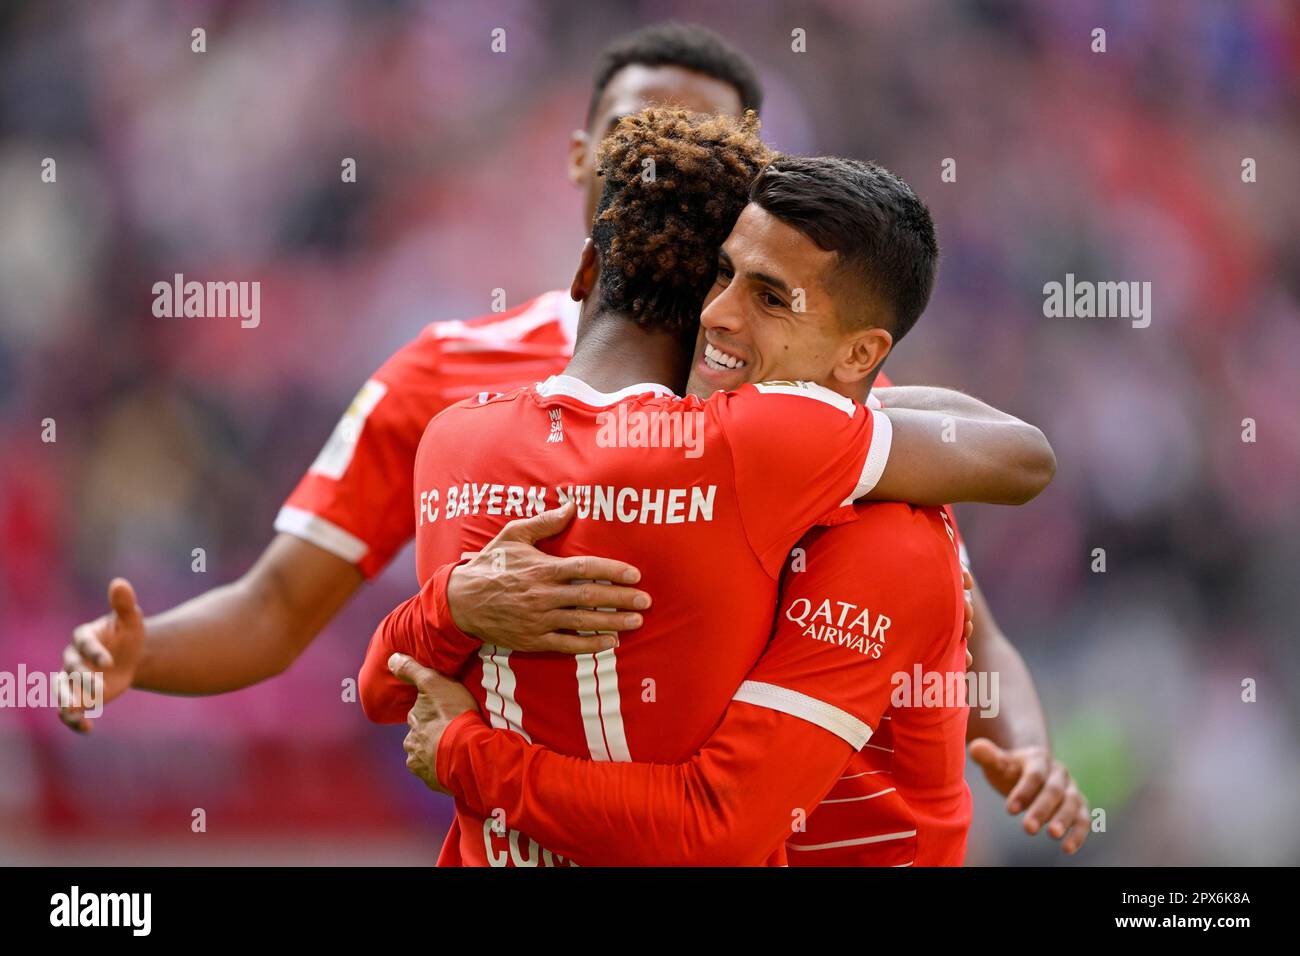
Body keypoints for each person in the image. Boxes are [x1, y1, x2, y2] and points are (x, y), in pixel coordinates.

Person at [58, 21, 1086, 855]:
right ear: (581, 151)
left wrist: (1026, 743)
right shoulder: (444, 376)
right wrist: (148, 655)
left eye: (705, 136)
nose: (669, 151)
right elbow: (284, 607)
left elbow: (964, 607)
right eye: (645, 126)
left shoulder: (783, 386)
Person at [359, 109, 1054, 866]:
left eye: (767, 296)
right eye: (721, 277)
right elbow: (1018, 456)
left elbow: (380, 692)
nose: (718, 313)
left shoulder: (453, 437)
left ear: (587, 269)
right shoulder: (754, 448)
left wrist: (458, 703)